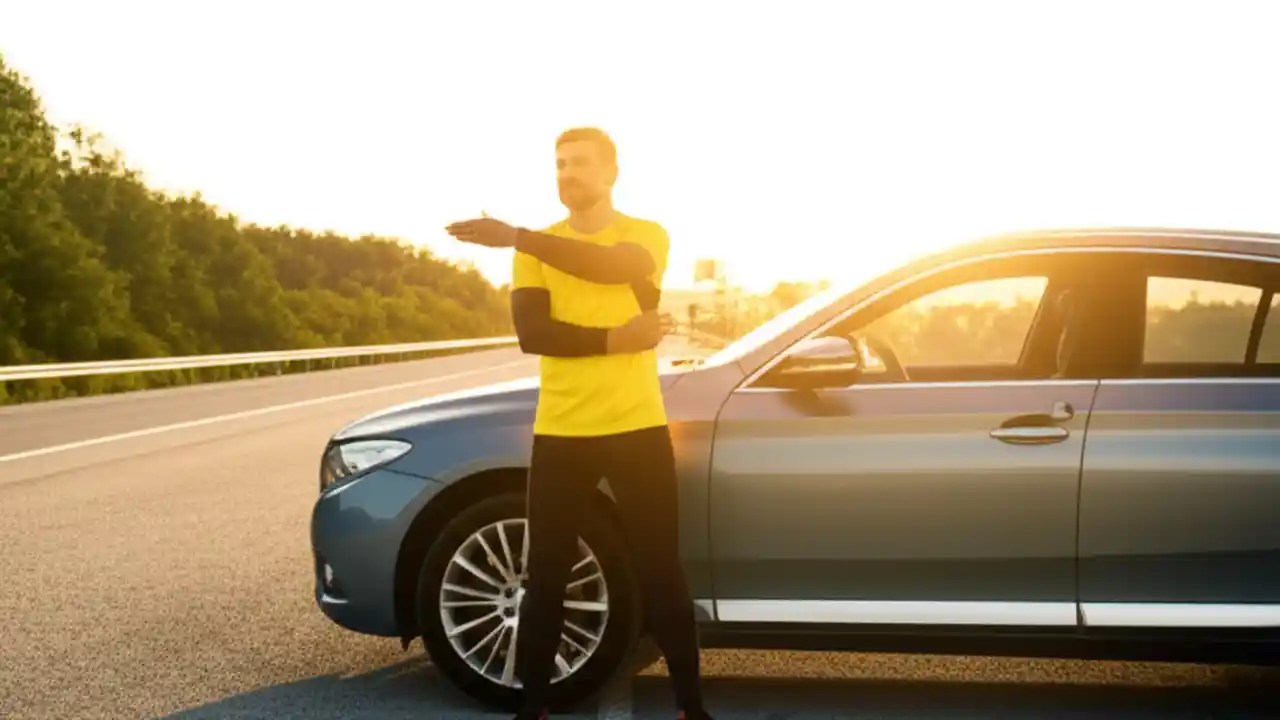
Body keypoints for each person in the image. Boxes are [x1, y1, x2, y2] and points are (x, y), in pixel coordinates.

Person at [446, 127, 713, 720]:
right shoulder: (534, 251)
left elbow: (606, 266)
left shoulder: (646, 236)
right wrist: (617, 338)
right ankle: (532, 710)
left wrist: (519, 235)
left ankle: (692, 711)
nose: (567, 173)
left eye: (580, 164)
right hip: (563, 432)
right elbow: (533, 336)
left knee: (661, 571)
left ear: (611, 173)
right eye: (560, 164)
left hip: (636, 427)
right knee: (546, 577)